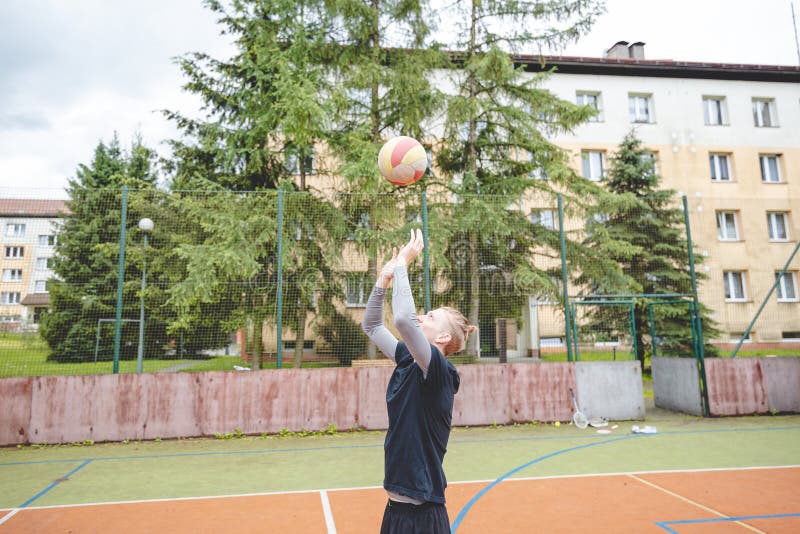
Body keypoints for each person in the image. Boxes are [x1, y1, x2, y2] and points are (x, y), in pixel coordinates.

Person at [361, 229, 477, 534]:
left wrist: (402, 263)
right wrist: (381, 283)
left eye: (431, 317)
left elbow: (402, 319)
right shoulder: (406, 358)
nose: (422, 317)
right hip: (396, 512)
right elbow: (372, 325)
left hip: (423, 517)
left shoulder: (438, 371)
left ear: (442, 338)